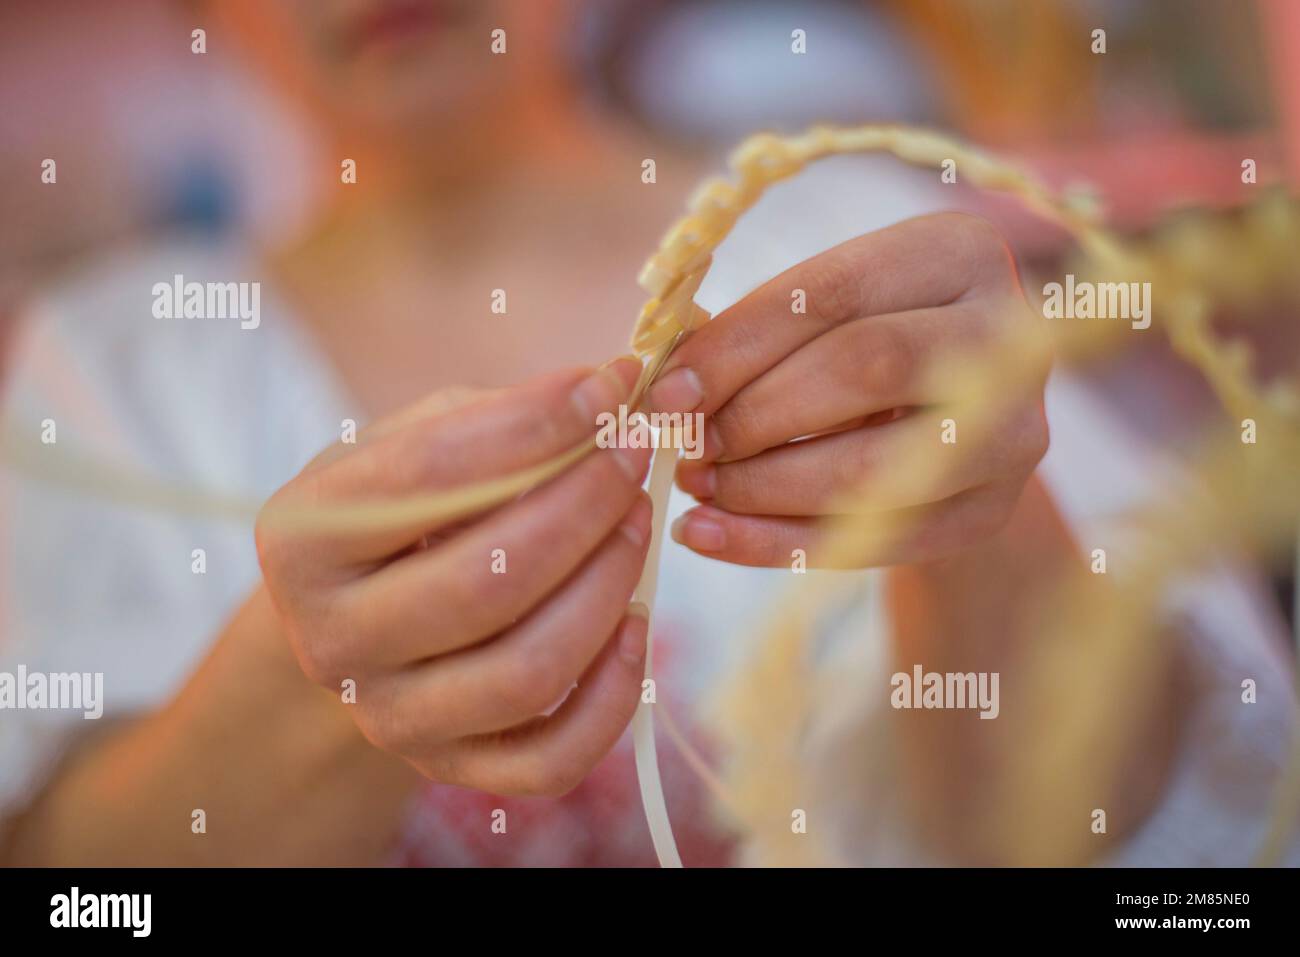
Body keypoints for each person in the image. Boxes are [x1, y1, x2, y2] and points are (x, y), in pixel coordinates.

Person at [1, 0, 1294, 866]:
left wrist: (982, 526)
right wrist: (301, 690)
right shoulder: (117, 363)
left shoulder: (855, 233)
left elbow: (1111, 826)